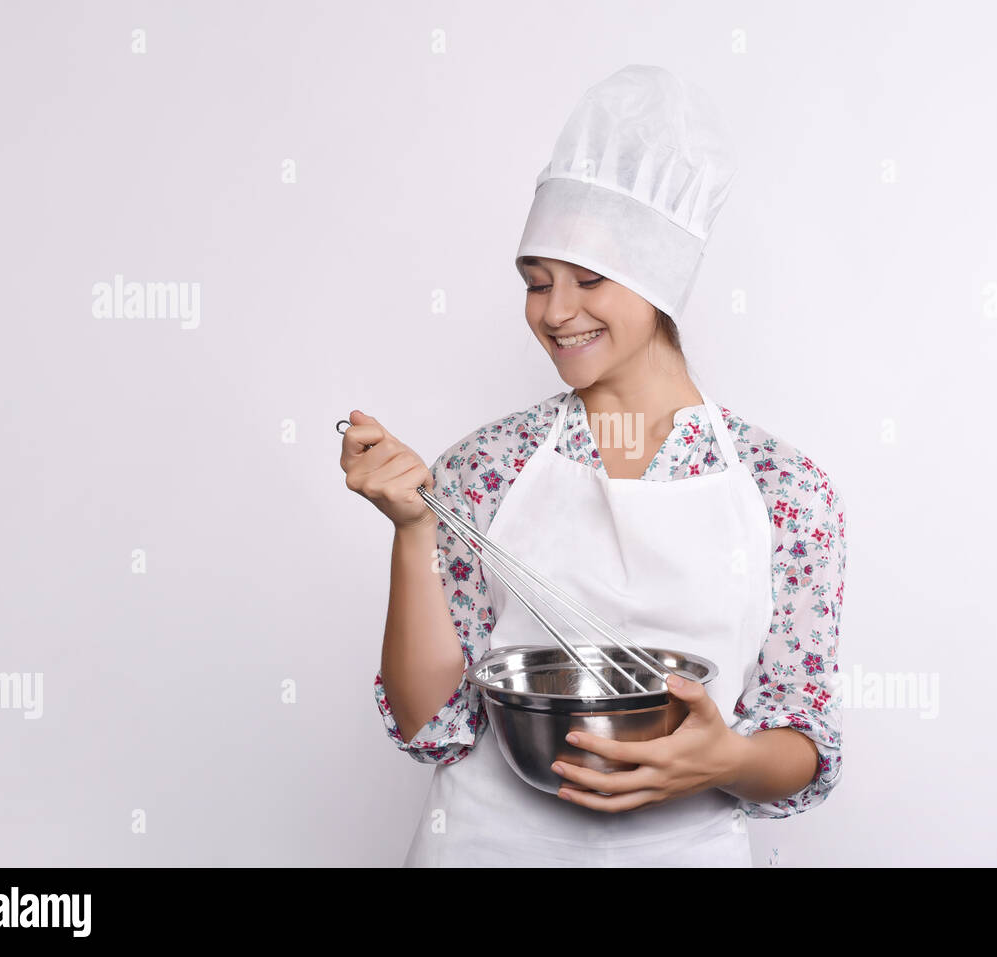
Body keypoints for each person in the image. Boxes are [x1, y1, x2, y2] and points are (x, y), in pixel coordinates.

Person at [339, 65, 847, 867]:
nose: (555, 312)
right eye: (536, 283)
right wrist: (411, 531)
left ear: (658, 278)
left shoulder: (785, 489)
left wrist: (726, 760)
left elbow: (803, 739)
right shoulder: (487, 466)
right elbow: (429, 723)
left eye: (588, 279)